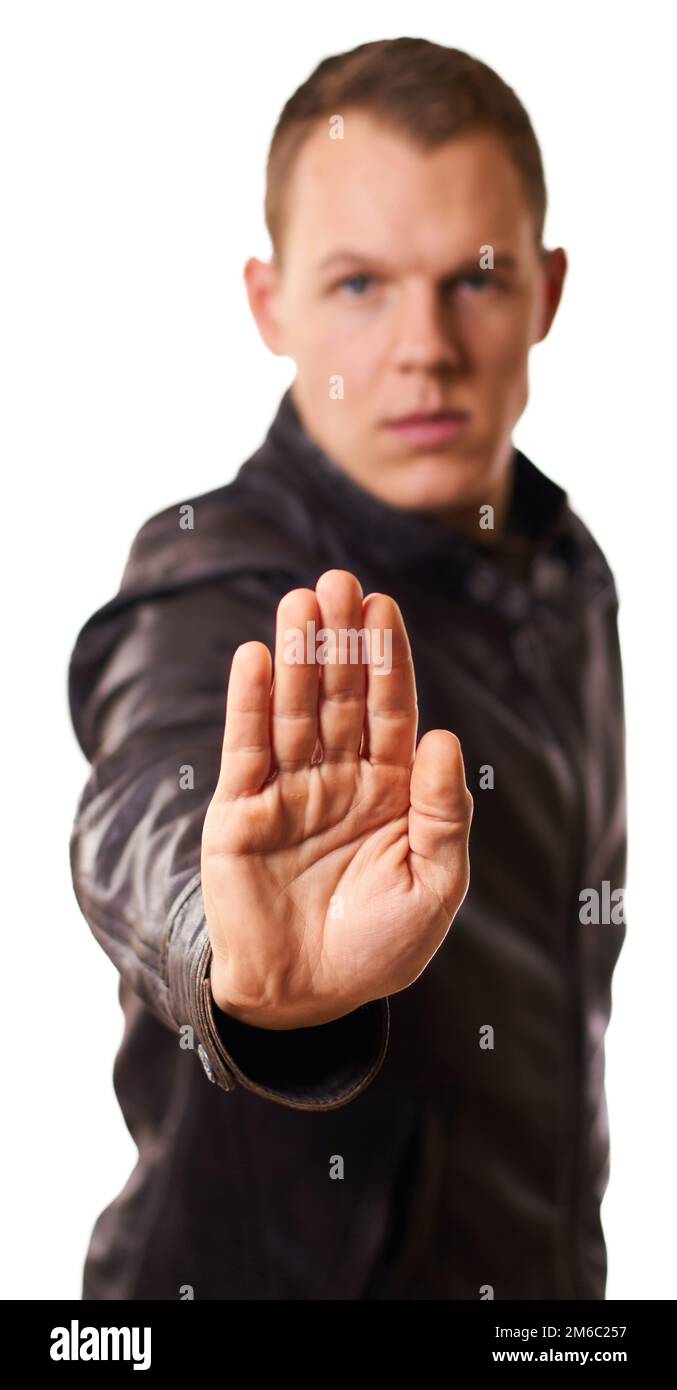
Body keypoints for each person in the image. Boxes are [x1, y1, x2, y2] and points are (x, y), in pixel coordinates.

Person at [68, 37, 627, 1300]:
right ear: (271, 306)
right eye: (359, 285)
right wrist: (239, 964)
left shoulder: (564, 566)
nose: (424, 346)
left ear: (544, 292)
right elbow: (146, 786)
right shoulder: (217, 579)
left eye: (473, 280)